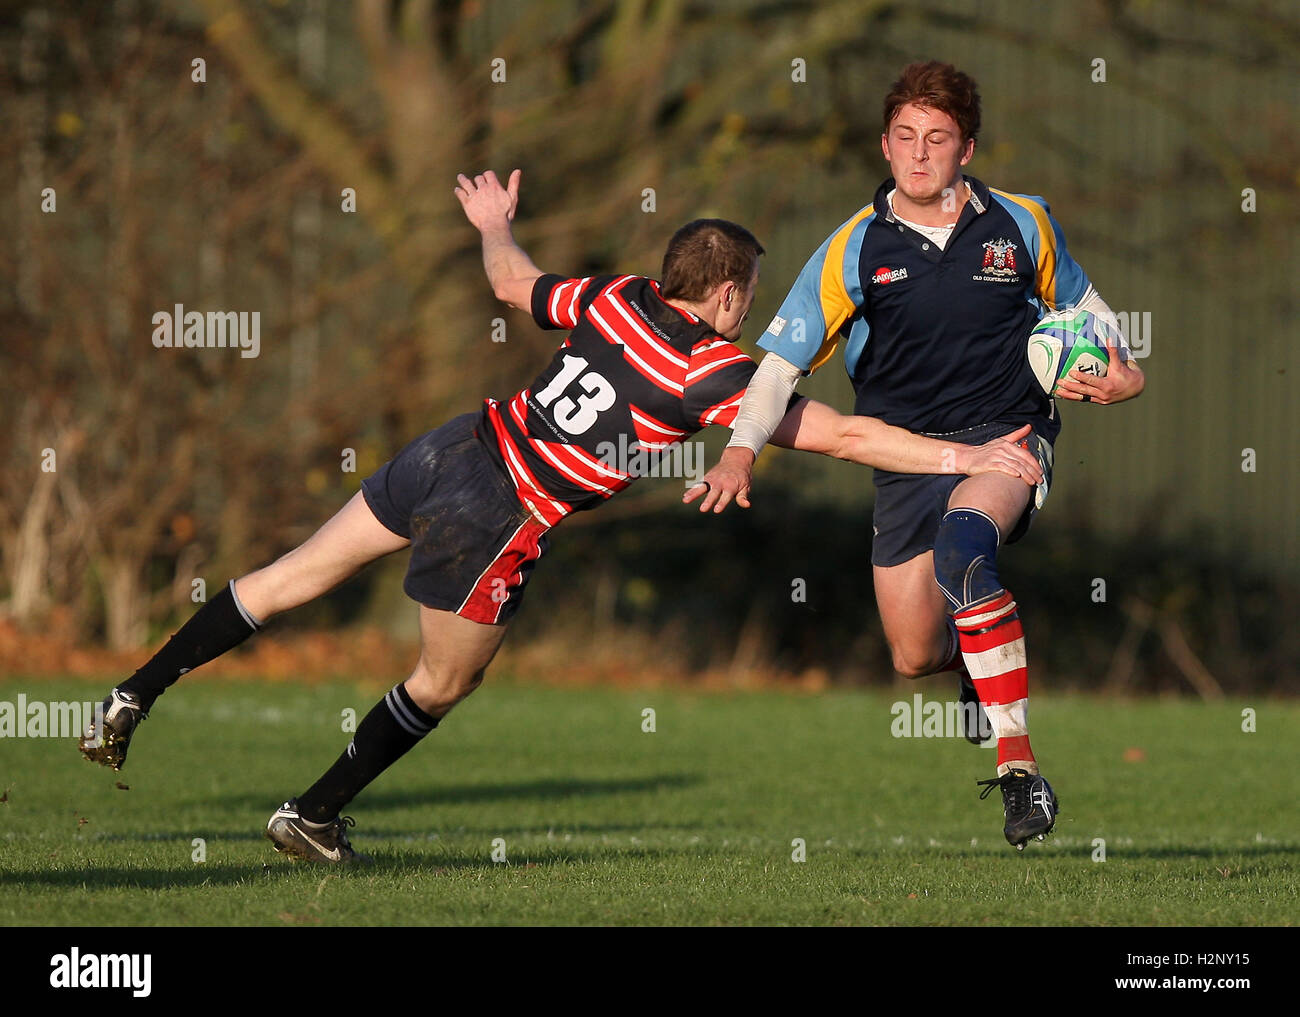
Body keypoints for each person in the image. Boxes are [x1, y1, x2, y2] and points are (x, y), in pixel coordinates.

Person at [80, 168, 1045, 864]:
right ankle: (315, 810)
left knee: (292, 575)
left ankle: (135, 690)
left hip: (450, 446)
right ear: (726, 294)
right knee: (440, 682)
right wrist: (969, 454)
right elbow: (844, 437)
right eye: (748, 293)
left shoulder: (616, 298)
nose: (752, 310)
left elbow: (510, 282)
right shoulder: (716, 370)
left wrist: (494, 220)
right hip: (499, 511)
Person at [694, 62, 1145, 850]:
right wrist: (739, 455)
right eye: (904, 137)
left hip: (1006, 438)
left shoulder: (1024, 224)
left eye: (937, 138)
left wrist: (1126, 375)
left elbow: (1097, 322)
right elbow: (775, 372)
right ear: (884, 144)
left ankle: (1018, 769)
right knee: (912, 655)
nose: (918, 154)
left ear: (967, 147)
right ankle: (976, 662)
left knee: (967, 553)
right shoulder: (851, 249)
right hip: (906, 456)